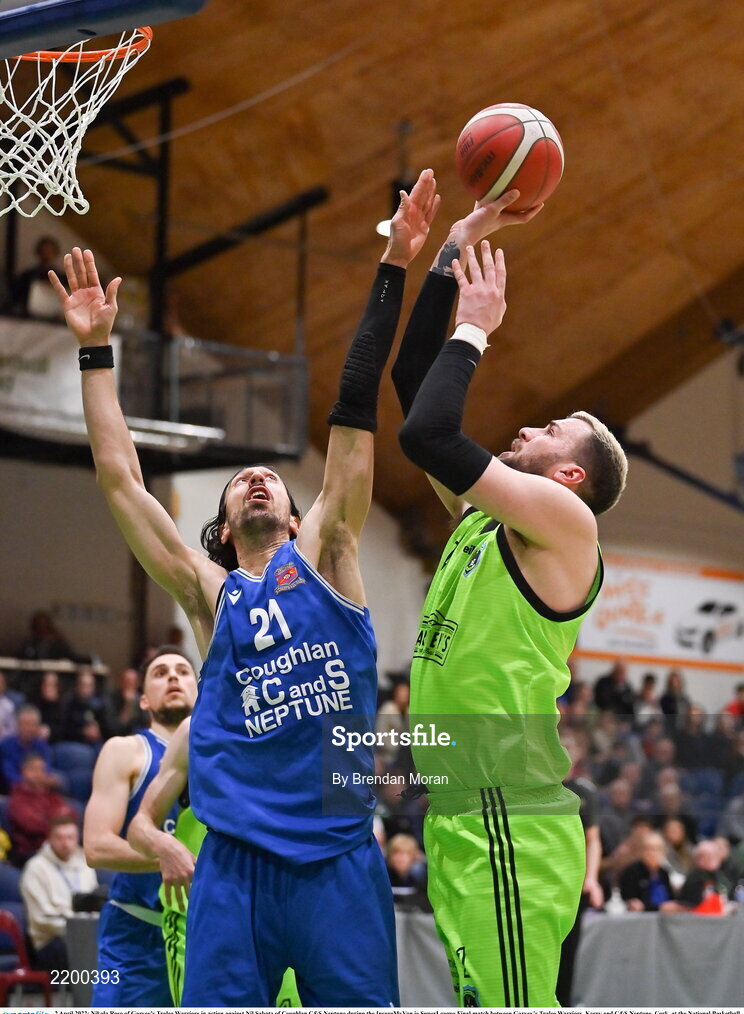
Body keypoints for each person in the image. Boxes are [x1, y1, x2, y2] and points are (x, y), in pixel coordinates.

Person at [49, 168, 440, 1006]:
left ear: (300, 522)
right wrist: (94, 350)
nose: (260, 479)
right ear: (225, 530)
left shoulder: (330, 556)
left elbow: (352, 416)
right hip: (232, 862)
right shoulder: (209, 591)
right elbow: (121, 480)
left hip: (339, 855)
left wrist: (394, 267)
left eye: (273, 481)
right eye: (242, 483)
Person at [392, 199, 628, 1006]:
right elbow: (411, 389)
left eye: (556, 429)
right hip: (459, 813)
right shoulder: (482, 518)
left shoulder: (567, 523)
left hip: (510, 817)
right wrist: (454, 248)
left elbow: (429, 436)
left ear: (572, 477)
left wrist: (479, 329)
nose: (531, 425)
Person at [127, 716, 300, 1007]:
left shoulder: (304, 717)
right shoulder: (193, 728)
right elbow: (138, 826)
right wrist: (165, 845)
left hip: (279, 910)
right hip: (198, 913)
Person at [82, 647, 197, 1006]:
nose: (174, 677)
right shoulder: (126, 750)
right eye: (160, 673)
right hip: (137, 933)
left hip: (203, 934)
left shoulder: (226, 752)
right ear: (144, 700)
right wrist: (168, 858)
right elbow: (96, 846)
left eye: (182, 671)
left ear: (200, 688)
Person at [20, 814, 98, 971]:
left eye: (70, 837)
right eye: (59, 838)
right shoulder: (36, 868)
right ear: (49, 838)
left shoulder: (84, 864)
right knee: (95, 952)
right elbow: (41, 920)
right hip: (51, 942)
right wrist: (81, 931)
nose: (65, 843)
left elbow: (94, 905)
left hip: (86, 935)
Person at [7, 753, 74, 867]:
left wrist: (45, 818)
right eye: (33, 769)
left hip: (59, 849)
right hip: (31, 853)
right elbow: (31, 826)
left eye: (41, 769)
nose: (38, 773)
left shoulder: (51, 795)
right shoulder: (17, 798)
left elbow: (71, 816)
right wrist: (55, 821)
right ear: (23, 771)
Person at [0, 704, 57, 789]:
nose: (29, 728)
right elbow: (8, 774)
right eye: (26, 724)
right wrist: (29, 782)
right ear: (18, 725)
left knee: (61, 781)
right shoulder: (5, 745)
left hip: (39, 787)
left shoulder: (42, 746)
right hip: (12, 789)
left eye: (33, 724)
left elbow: (46, 770)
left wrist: (41, 780)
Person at [619, 831, 676, 912]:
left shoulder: (664, 873)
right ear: (641, 851)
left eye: (657, 849)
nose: (652, 853)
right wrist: (659, 908)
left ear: (663, 852)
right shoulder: (631, 872)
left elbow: (670, 900)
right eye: (648, 848)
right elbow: (633, 904)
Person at [11, 235, 64, 318]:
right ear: (39, 253)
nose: (46, 255)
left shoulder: (63, 278)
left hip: (55, 322)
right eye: (44, 252)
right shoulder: (27, 276)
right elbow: (16, 299)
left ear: (55, 253)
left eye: (50, 252)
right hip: (29, 319)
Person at [60, 666, 107, 745]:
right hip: (75, 742)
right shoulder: (68, 703)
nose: (86, 689)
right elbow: (63, 730)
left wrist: (98, 730)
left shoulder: (99, 705)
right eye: (83, 685)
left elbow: (107, 728)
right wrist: (82, 732)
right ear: (77, 686)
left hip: (95, 742)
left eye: (89, 686)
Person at [104, 666, 147, 737]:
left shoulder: (141, 699)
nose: (129, 685)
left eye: (132, 682)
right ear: (120, 682)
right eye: (126, 681)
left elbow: (145, 723)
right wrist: (128, 705)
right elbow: (115, 730)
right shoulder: (110, 699)